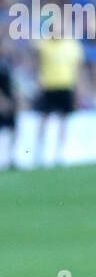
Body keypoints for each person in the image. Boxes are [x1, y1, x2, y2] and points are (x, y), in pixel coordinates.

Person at [34, 17, 83, 166]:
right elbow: (37, 63)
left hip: (66, 86)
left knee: (63, 121)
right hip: (48, 86)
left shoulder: (72, 46)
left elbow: (77, 70)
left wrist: (78, 90)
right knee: (44, 119)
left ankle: (59, 153)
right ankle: (39, 153)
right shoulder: (43, 45)